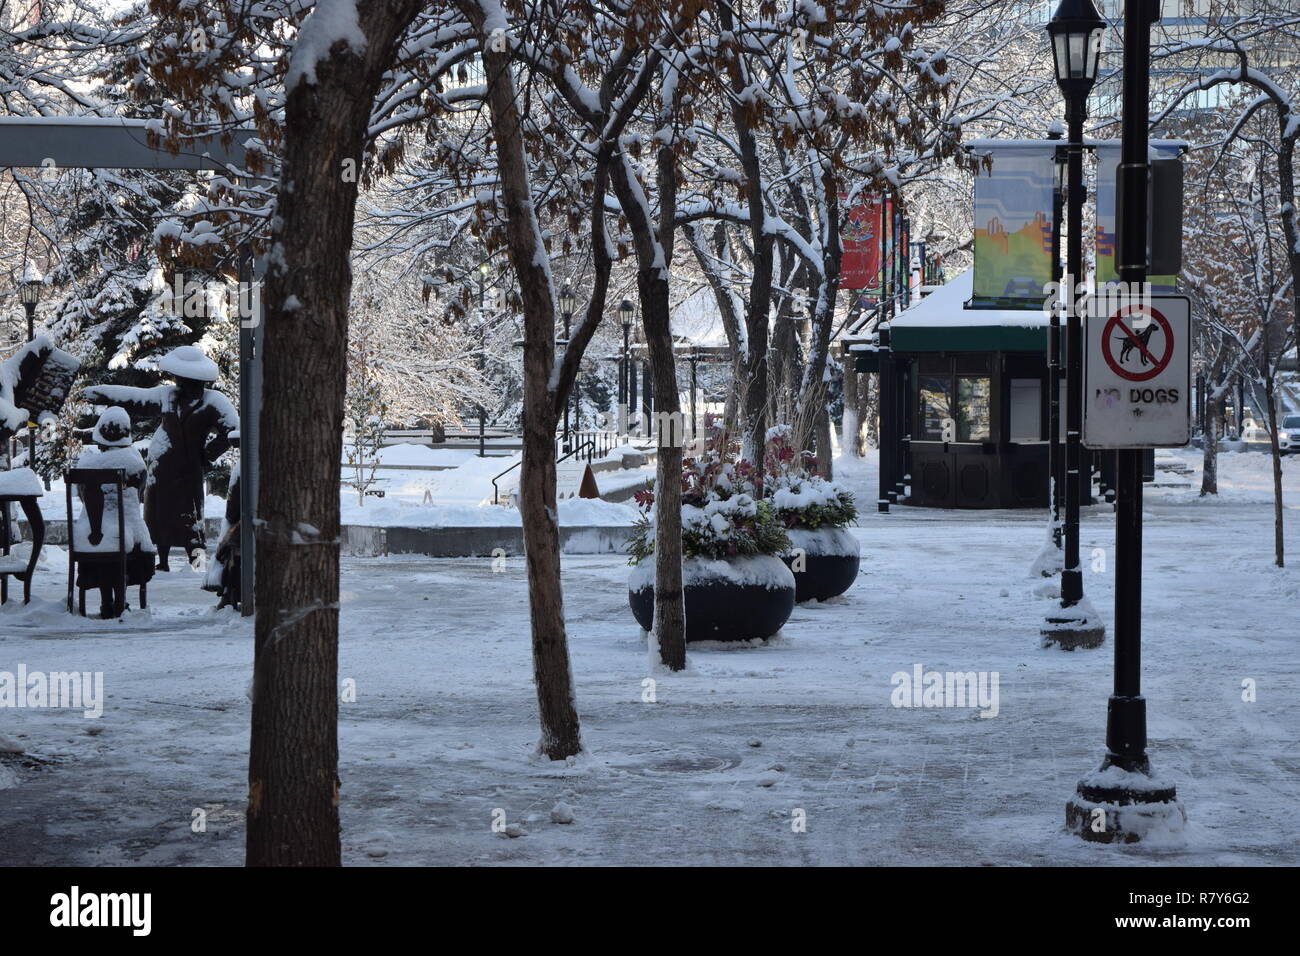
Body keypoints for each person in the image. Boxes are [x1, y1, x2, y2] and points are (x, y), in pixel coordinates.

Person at [83, 346, 238, 571]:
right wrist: (103, 393)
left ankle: (197, 563)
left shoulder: (214, 402)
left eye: (182, 380)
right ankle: (162, 561)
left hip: (189, 469)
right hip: (162, 466)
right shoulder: (168, 396)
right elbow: (136, 398)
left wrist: (207, 454)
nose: (178, 383)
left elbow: (233, 430)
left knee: (191, 517)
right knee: (159, 515)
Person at [73, 407, 155, 618]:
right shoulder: (134, 464)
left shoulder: (86, 463)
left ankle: (105, 602)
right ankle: (120, 601)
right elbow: (138, 495)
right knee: (133, 549)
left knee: (107, 546)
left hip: (88, 532)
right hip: (126, 527)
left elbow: (83, 496)